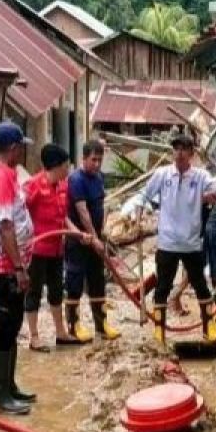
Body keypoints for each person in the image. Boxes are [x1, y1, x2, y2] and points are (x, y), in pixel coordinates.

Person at [122, 133, 216, 345]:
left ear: (191, 153)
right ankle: (160, 331)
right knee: (163, 286)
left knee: (200, 286)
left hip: (191, 243)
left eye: (183, 149)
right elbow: (144, 194)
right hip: (168, 243)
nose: (179, 153)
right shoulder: (163, 174)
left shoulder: (200, 177)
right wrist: (138, 209)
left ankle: (209, 327)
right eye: (176, 149)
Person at [0, 121, 37, 414]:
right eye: (20, 147)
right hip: (4, 268)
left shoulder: (6, 174)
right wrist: (19, 268)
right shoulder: (0, 177)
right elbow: (5, 227)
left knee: (12, 325)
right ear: (12, 148)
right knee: (3, 328)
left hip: (10, 264)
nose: (22, 152)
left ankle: (9, 387)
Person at [24, 143, 85, 351]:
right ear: (56, 166)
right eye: (66, 166)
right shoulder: (33, 186)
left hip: (57, 249)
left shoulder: (63, 186)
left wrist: (76, 232)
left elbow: (64, 217)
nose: (68, 169)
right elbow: (21, 215)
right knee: (33, 292)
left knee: (57, 291)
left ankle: (60, 333)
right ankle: (33, 336)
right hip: (37, 250)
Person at [65, 139, 120, 341]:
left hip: (96, 237)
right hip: (79, 241)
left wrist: (103, 230)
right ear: (84, 158)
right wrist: (94, 238)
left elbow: (101, 204)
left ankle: (101, 324)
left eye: (100, 160)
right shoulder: (76, 180)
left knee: (98, 281)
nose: (97, 164)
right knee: (75, 282)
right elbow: (82, 212)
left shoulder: (98, 178)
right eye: (93, 160)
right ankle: (73, 326)